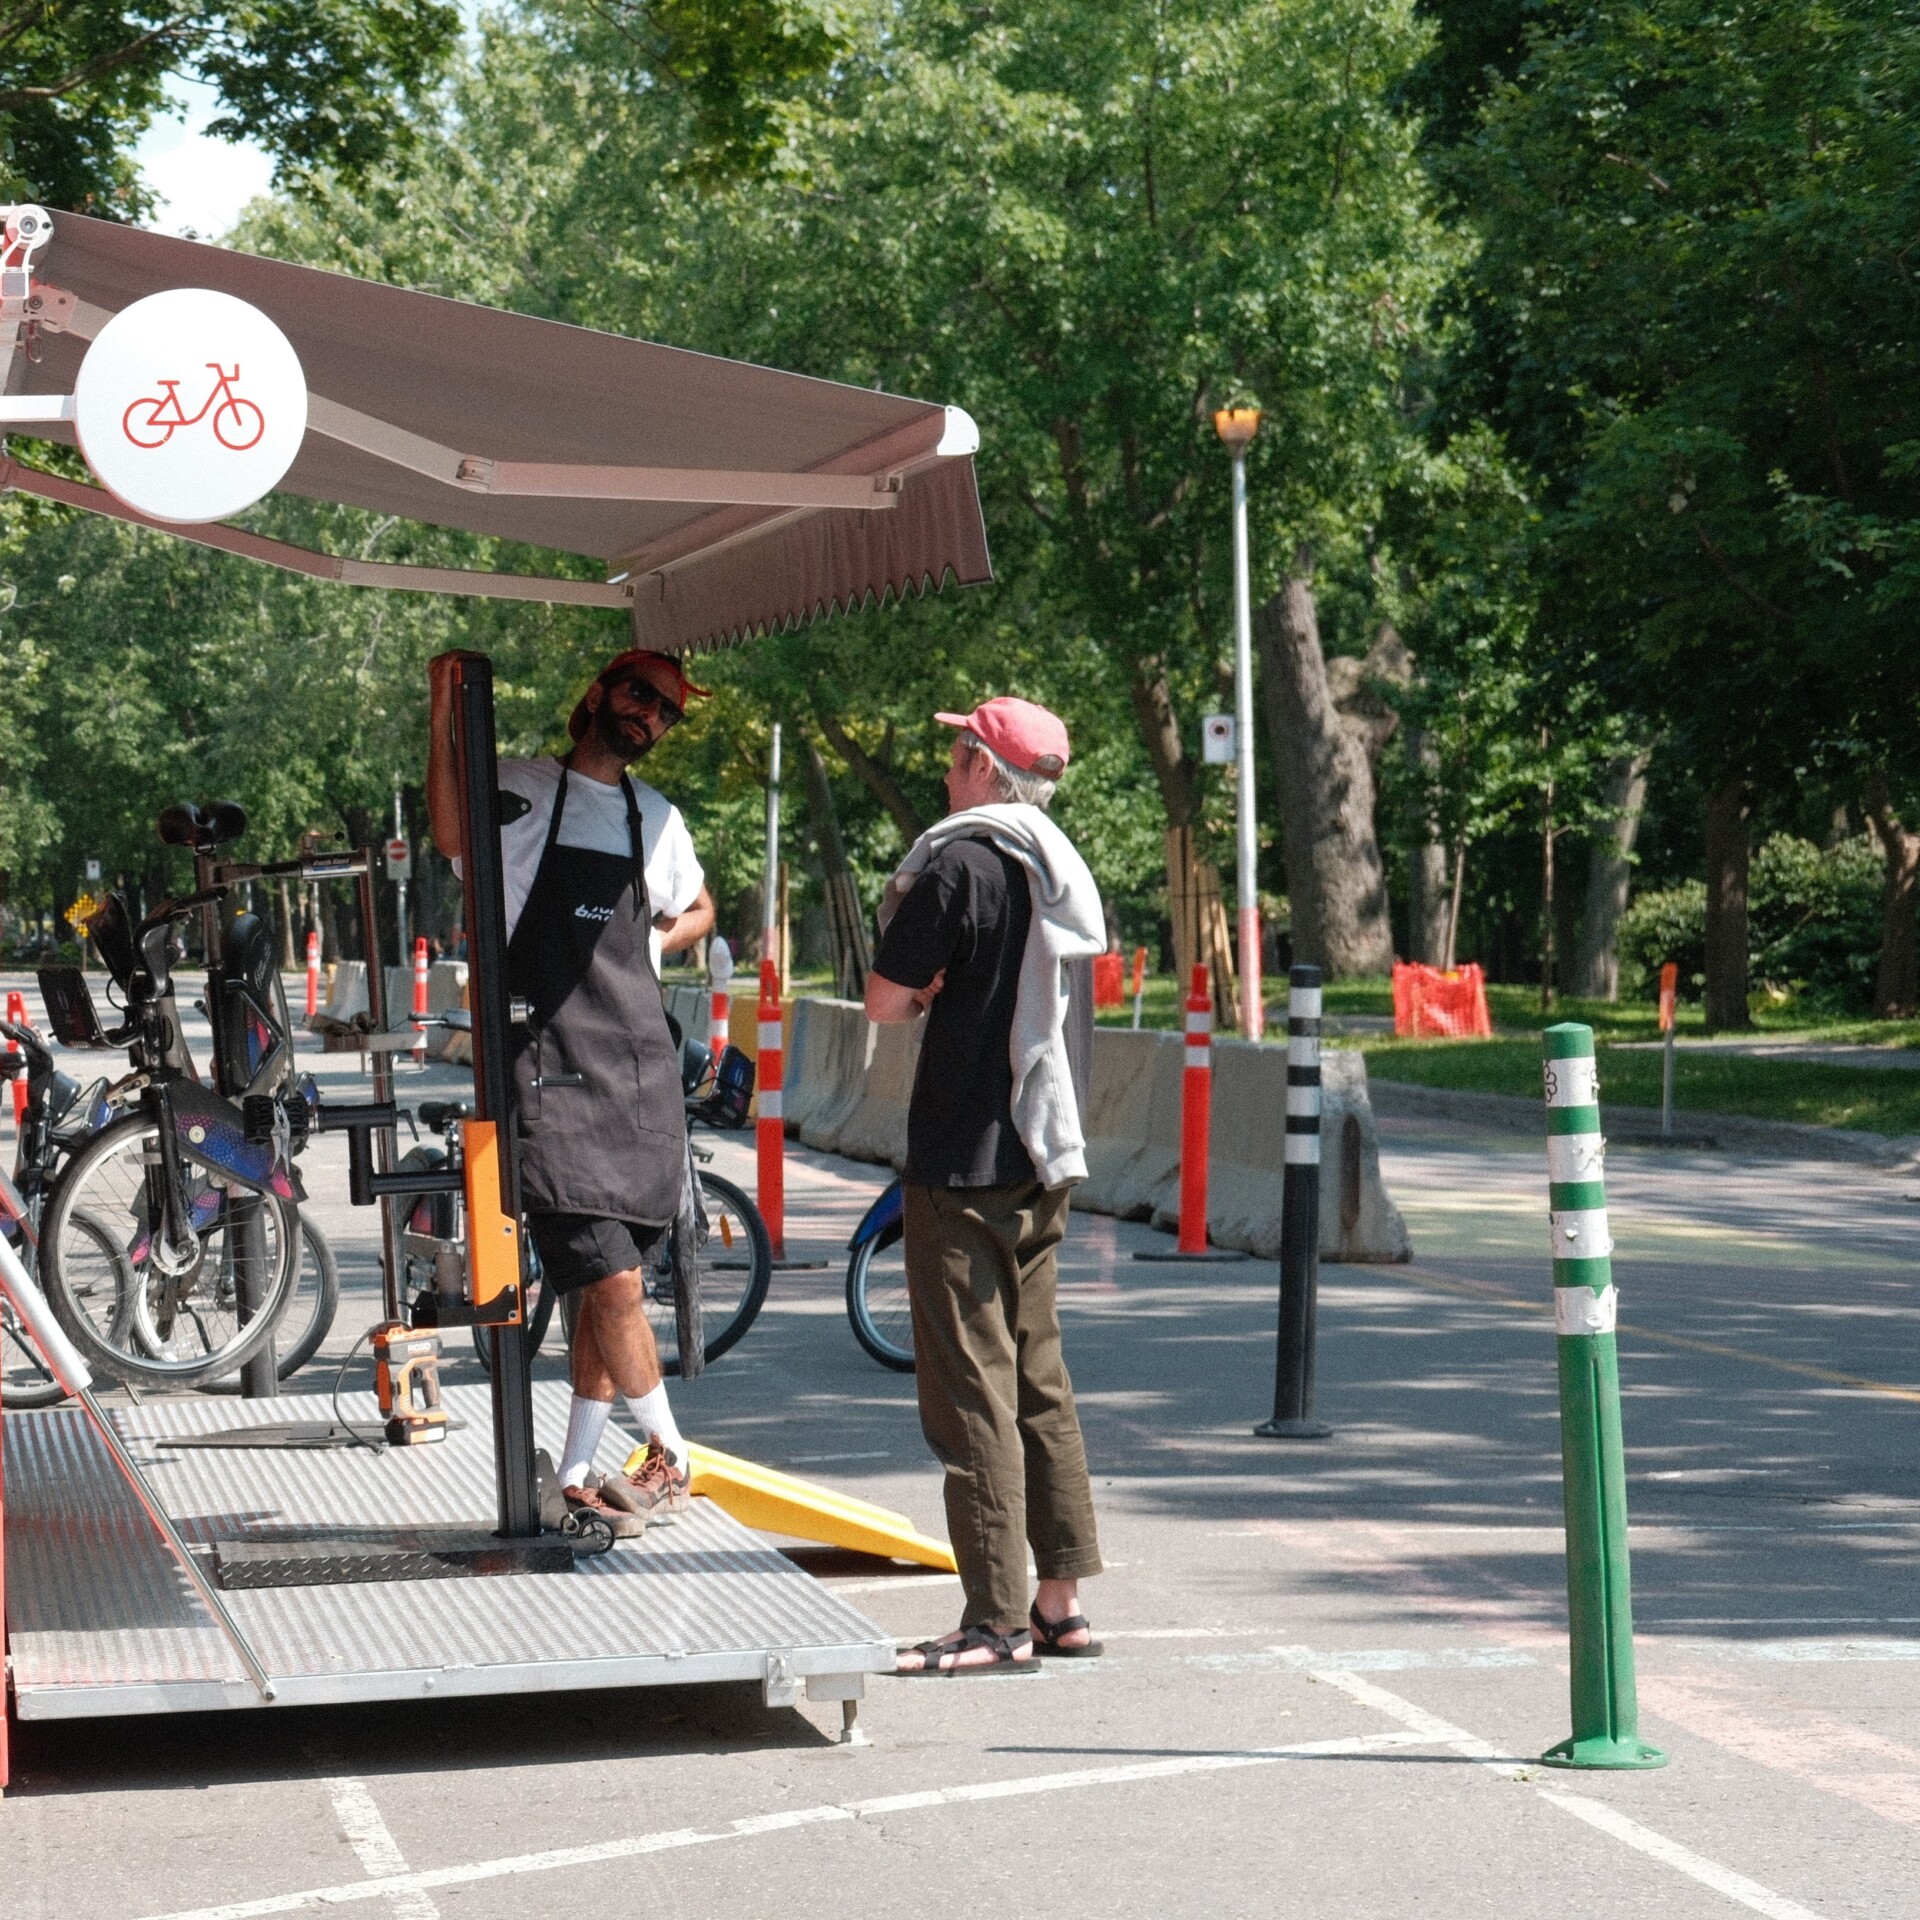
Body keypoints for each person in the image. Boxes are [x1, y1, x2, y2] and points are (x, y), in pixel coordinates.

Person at [427, 645, 716, 1537]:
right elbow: (448, 834)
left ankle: (583, 1470)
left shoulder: (655, 818)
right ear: (595, 694)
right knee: (616, 1283)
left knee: (604, 1288)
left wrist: (651, 946)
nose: (651, 717)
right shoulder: (515, 788)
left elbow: (700, 908)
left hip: (636, 1079)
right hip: (544, 1074)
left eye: (666, 711)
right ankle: (675, 1458)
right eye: (640, 695)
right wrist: (441, 713)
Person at [866, 696, 1108, 1672]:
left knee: (971, 1394)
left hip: (963, 1158)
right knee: (1039, 1381)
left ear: (979, 764)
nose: (948, 770)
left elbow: (886, 999)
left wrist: (926, 987)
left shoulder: (959, 863)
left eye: (958, 751)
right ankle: (1060, 1601)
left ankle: (996, 1619)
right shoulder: (1060, 867)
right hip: (1044, 1155)